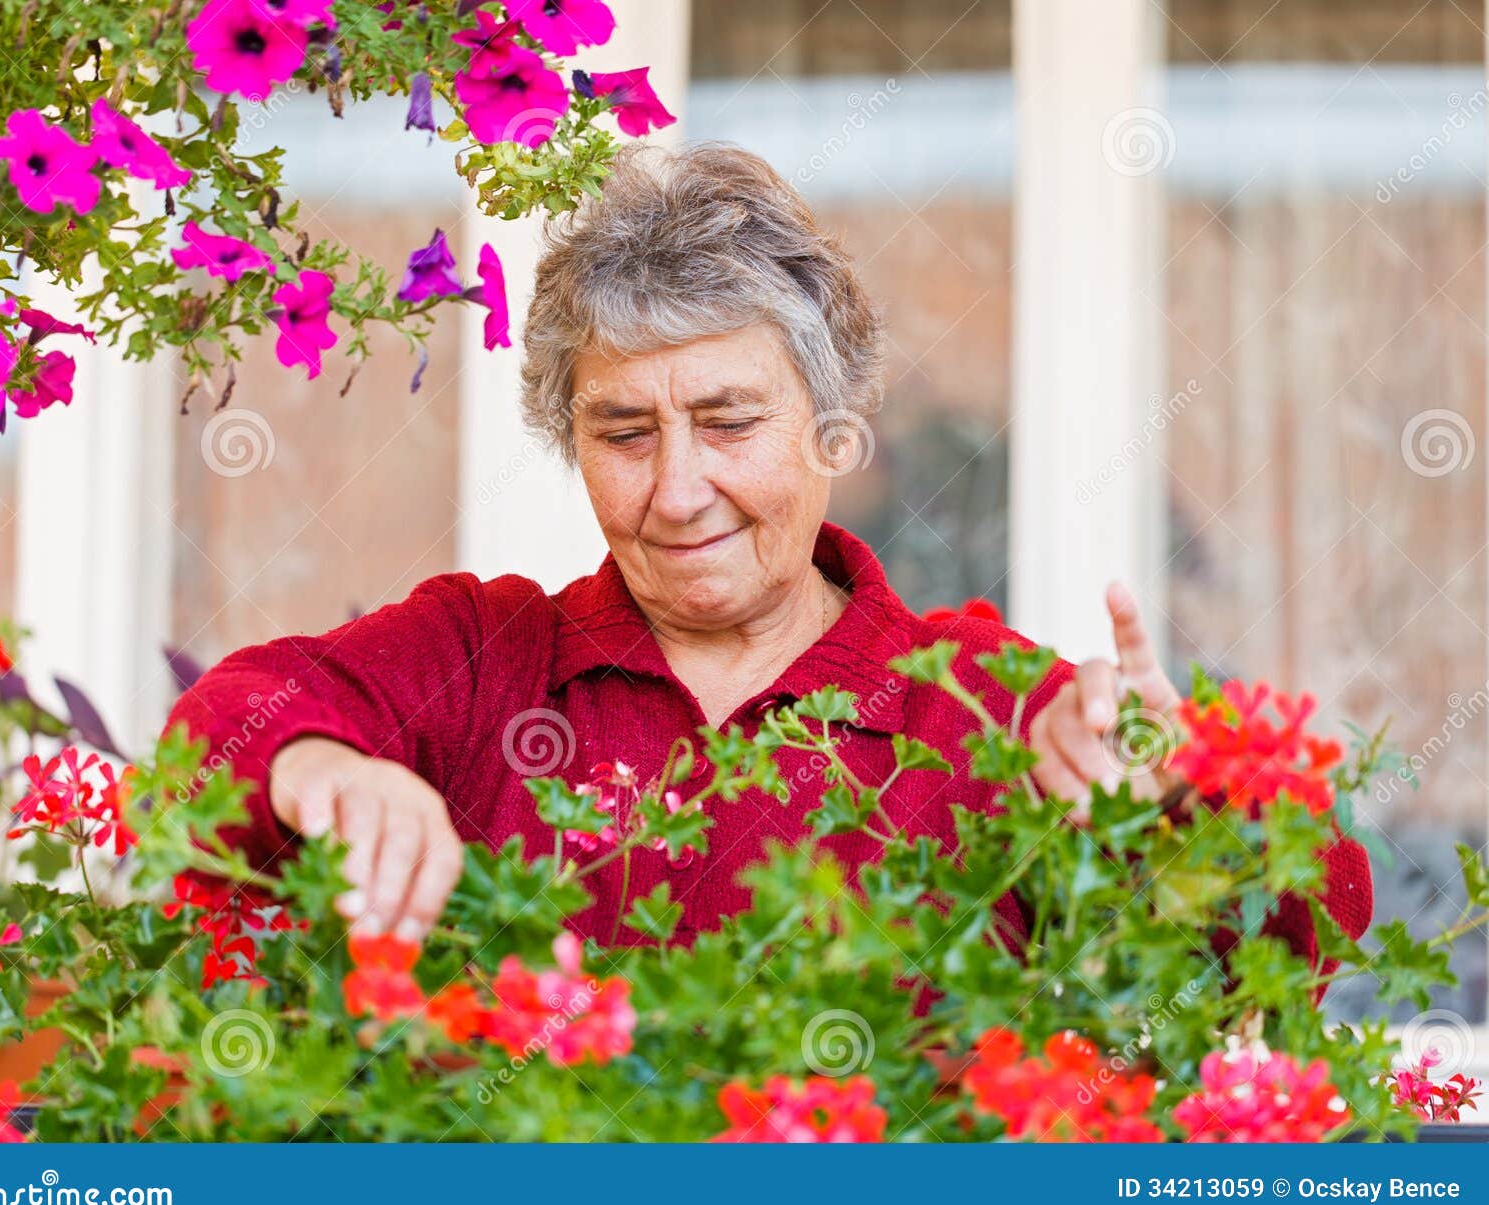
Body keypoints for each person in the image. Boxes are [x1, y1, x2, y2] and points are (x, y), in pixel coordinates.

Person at [169, 143, 1371, 968]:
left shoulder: (988, 708)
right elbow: (212, 742)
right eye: (623, 433)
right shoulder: (485, 658)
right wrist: (322, 768)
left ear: (831, 427)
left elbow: (1308, 930)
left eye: (730, 423)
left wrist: (1181, 808)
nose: (679, 490)